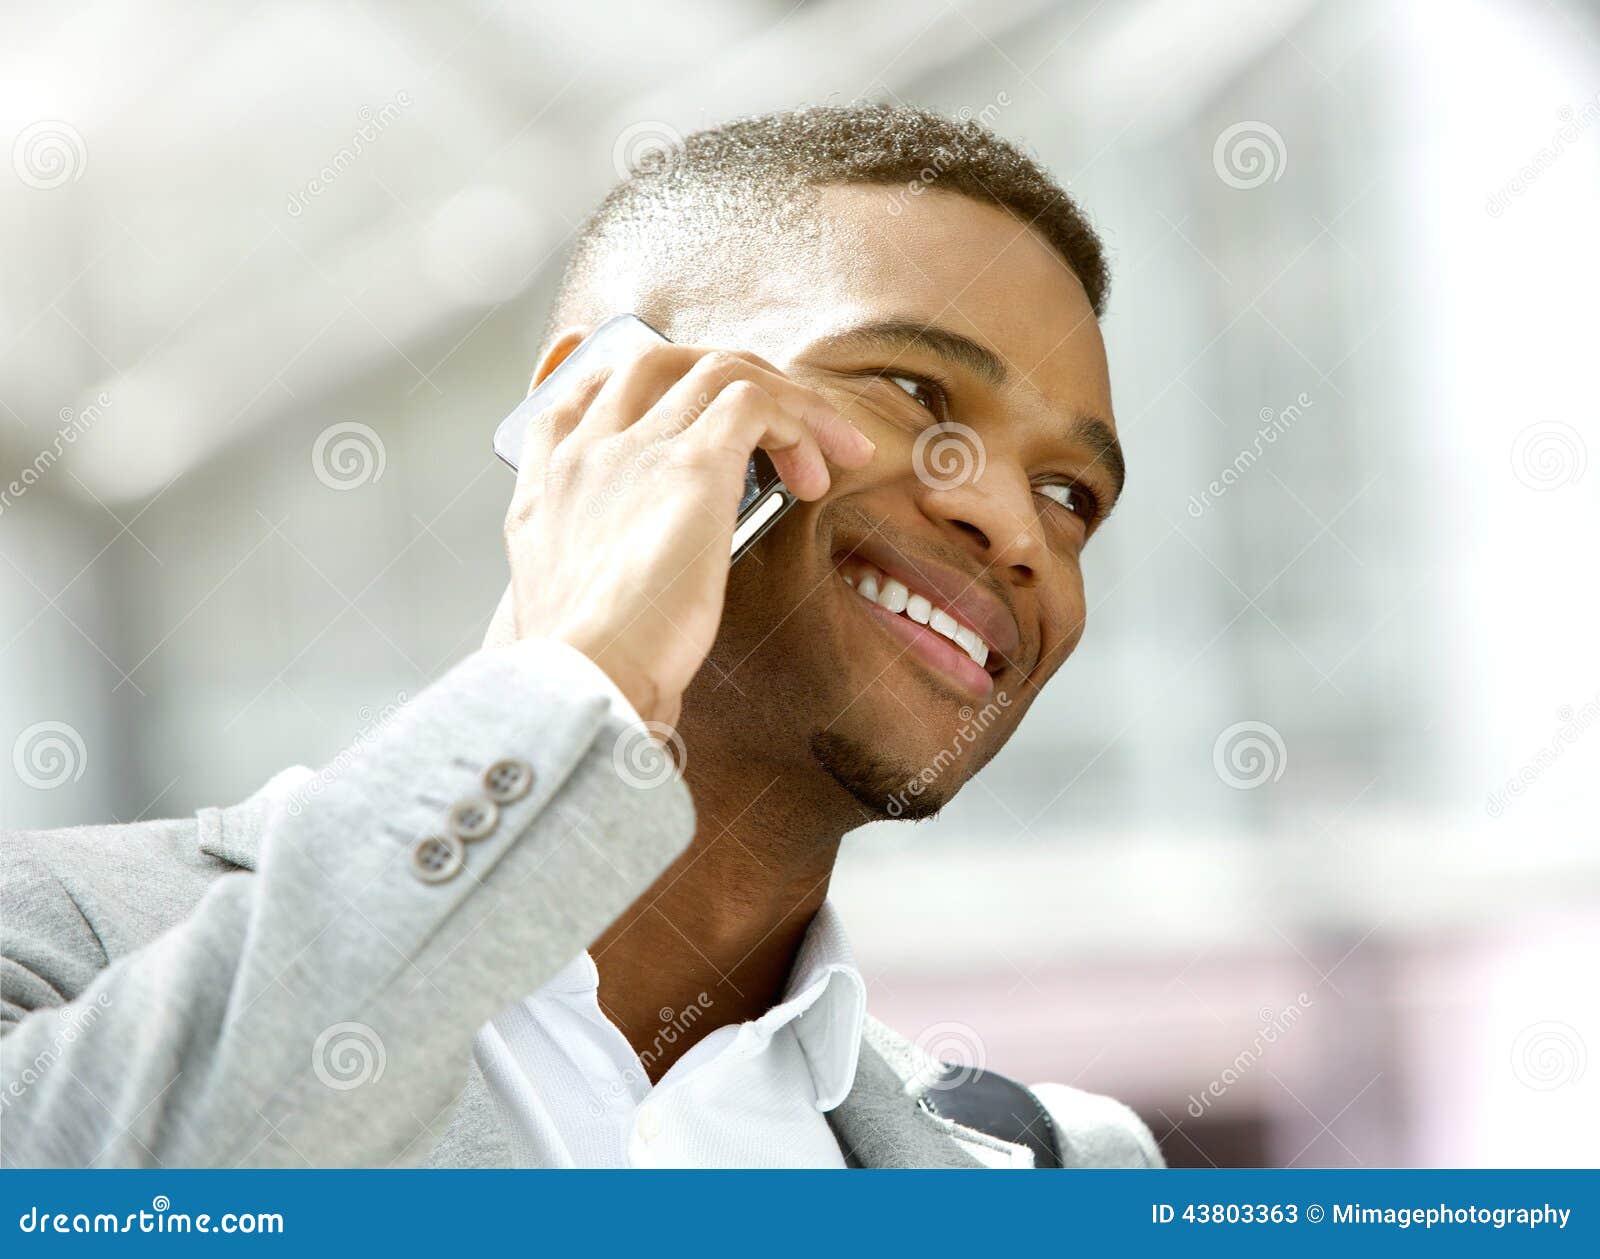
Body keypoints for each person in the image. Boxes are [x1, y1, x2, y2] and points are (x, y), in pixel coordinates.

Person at [1, 105, 1159, 1169]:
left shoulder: (1062, 1168)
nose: (1014, 526)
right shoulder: (49, 945)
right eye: (910, 387)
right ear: (587, 408)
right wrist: (585, 675)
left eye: (1070, 497)